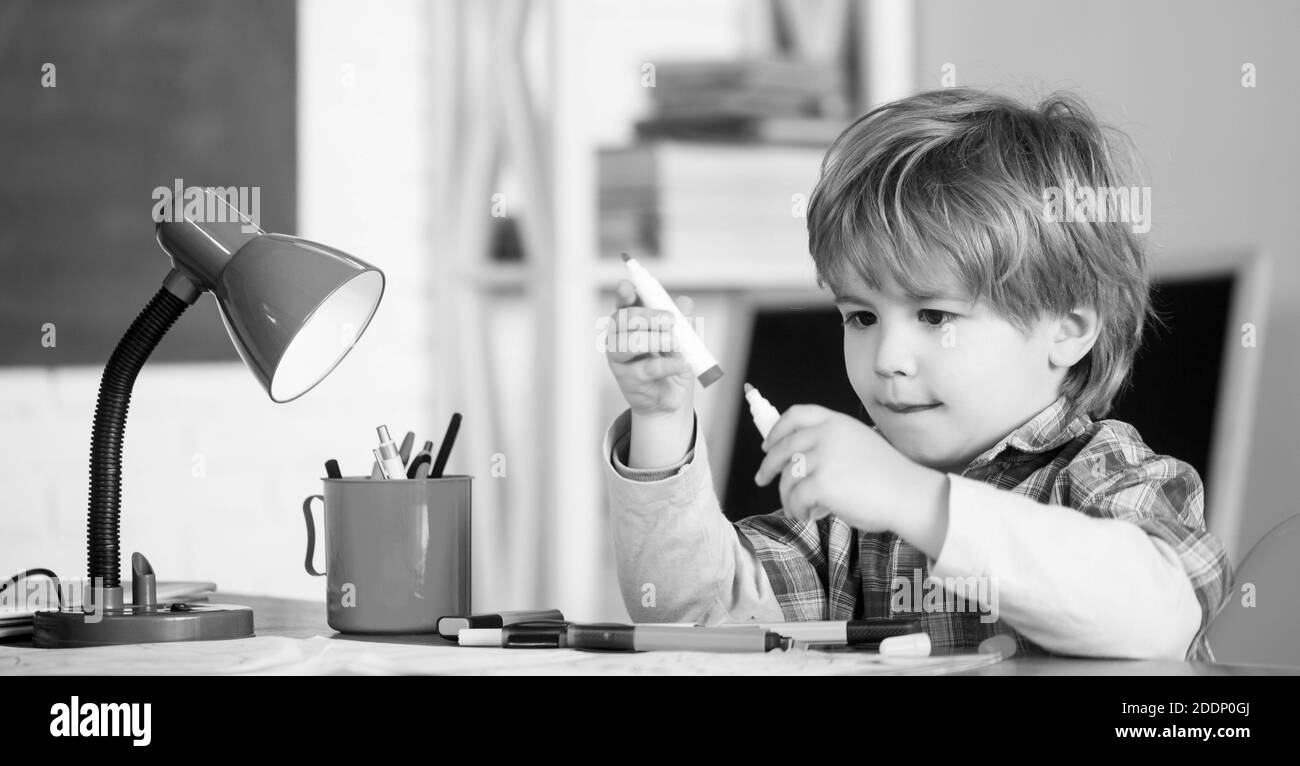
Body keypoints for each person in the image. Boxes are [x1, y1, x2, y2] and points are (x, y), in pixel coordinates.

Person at [600, 87, 1232, 660]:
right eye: (861, 317)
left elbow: (1154, 616)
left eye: (935, 315)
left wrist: (911, 499)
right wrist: (661, 423)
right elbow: (697, 619)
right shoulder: (844, 522)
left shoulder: (1109, 475)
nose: (887, 359)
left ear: (1066, 329)